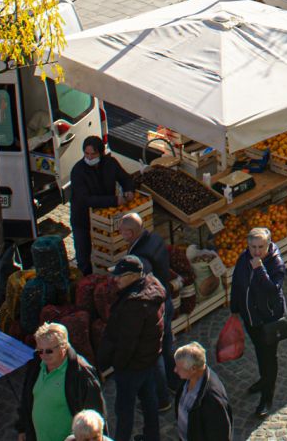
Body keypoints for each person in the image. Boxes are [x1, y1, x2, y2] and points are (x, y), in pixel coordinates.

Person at [99, 256, 165, 441]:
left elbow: (127, 343)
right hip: (148, 359)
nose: (115, 279)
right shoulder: (152, 288)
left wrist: (117, 364)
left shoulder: (134, 306)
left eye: (120, 276)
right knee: (149, 401)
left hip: (132, 365)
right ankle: (152, 436)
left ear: (133, 276)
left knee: (124, 410)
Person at [228, 227, 287, 417]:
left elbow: (272, 290)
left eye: (261, 247)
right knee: (260, 352)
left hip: (269, 320)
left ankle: (267, 397)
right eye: (253, 246)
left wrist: (259, 269)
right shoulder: (244, 258)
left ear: (269, 245)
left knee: (269, 358)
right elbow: (237, 284)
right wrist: (235, 309)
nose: (256, 251)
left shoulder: (275, 263)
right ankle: (264, 380)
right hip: (250, 318)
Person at [118, 212, 176, 394]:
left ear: (129, 233)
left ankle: (161, 397)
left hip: (155, 308)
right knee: (167, 344)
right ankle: (174, 382)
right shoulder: (155, 238)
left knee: (154, 353)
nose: (120, 235)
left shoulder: (140, 256)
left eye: (122, 232)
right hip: (166, 298)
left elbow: (143, 283)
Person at [17, 322, 104, 441]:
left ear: (63, 346)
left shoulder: (81, 373)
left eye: (49, 351)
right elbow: (26, 398)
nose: (43, 355)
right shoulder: (36, 366)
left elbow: (94, 416)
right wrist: (22, 428)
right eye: (40, 351)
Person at [69, 136, 130, 275]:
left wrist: (129, 189)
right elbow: (85, 200)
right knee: (83, 256)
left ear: (101, 153)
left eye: (93, 154)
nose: (89, 157)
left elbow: (125, 178)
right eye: (87, 154)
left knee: (106, 251)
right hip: (82, 218)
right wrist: (114, 200)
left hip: (104, 218)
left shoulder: (110, 163)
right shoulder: (78, 171)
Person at [173, 343, 231, 441]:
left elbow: (220, 435)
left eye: (179, 368)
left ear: (193, 369)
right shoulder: (187, 378)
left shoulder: (213, 399)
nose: (175, 370)